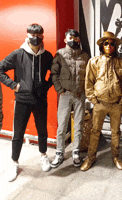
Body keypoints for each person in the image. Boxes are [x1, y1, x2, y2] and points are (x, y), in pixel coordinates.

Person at [0, 24, 53, 181]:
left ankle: (43, 156)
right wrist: (14, 85)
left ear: (43, 36)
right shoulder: (18, 54)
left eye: (39, 36)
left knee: (42, 130)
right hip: (22, 100)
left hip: (40, 100)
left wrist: (47, 85)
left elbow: (55, 72)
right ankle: (14, 162)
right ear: (27, 35)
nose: (36, 39)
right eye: (32, 35)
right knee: (18, 134)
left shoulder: (47, 56)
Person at [80, 31, 122, 171]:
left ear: (116, 46)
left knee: (116, 132)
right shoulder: (94, 62)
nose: (109, 46)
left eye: (112, 43)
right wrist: (94, 101)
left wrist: (121, 101)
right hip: (100, 104)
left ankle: (116, 156)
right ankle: (91, 157)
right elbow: (88, 83)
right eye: (106, 43)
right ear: (102, 46)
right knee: (95, 131)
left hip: (116, 104)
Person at [51, 29, 89, 168]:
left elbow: (90, 75)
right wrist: (60, 90)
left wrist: (86, 91)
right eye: (70, 37)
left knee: (78, 124)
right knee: (62, 125)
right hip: (65, 94)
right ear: (65, 40)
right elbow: (54, 74)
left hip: (80, 95)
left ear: (79, 40)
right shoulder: (60, 54)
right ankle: (59, 152)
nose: (73, 40)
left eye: (76, 38)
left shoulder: (85, 56)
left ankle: (76, 151)